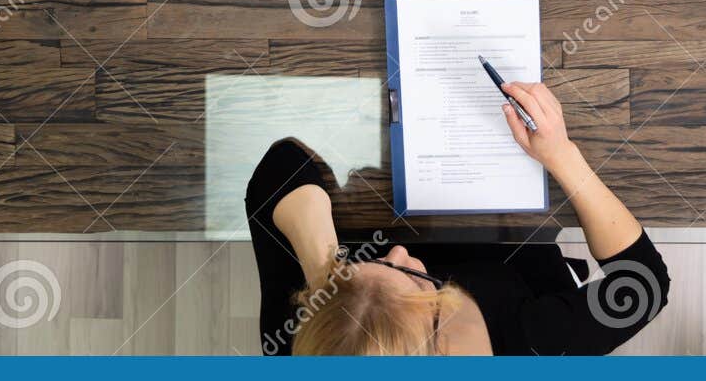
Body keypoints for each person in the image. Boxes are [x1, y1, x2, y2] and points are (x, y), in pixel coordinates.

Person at [247, 81, 669, 355]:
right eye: (414, 279)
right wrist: (562, 155)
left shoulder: (316, 341)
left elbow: (280, 167)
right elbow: (643, 287)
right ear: (440, 337)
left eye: (372, 265)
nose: (398, 252)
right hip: (514, 243)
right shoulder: (535, 344)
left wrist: (327, 278)